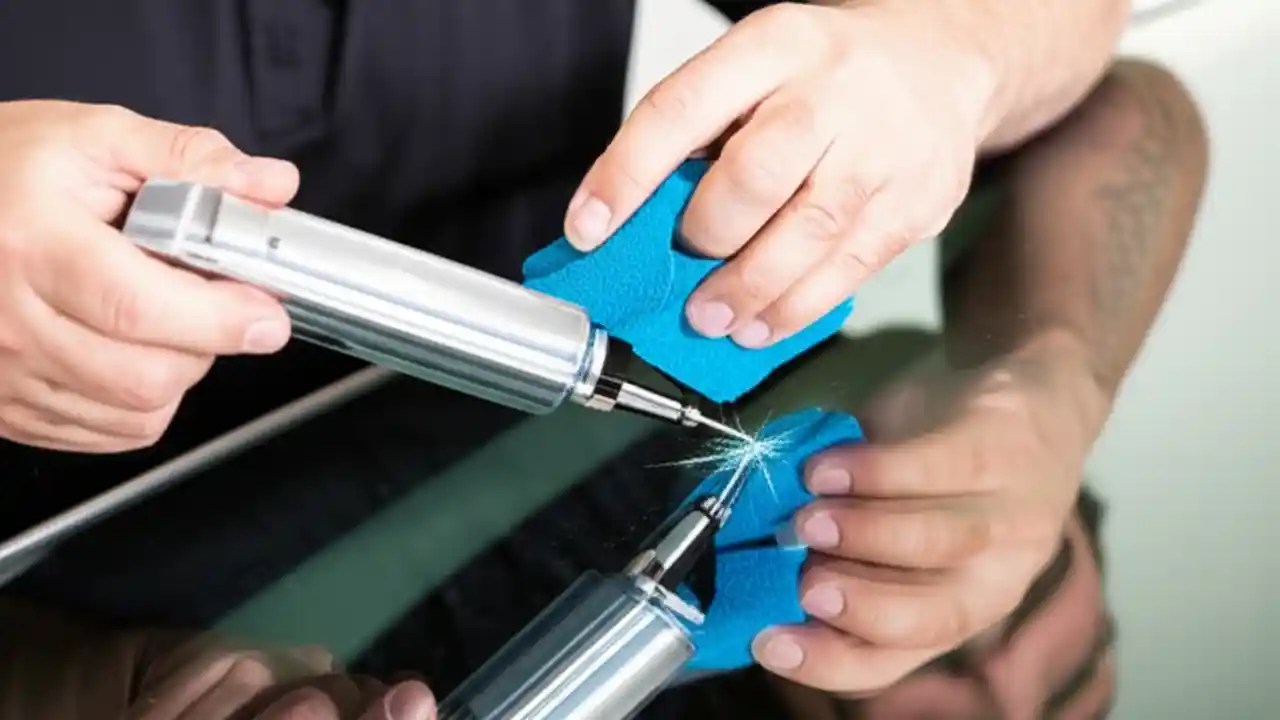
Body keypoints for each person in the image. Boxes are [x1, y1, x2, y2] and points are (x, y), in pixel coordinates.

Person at [0, 0, 1200, 716]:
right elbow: (1121, 96)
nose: (992, 679)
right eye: (1060, 662)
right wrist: (1053, 377)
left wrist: (107, 684)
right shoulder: (725, 366)